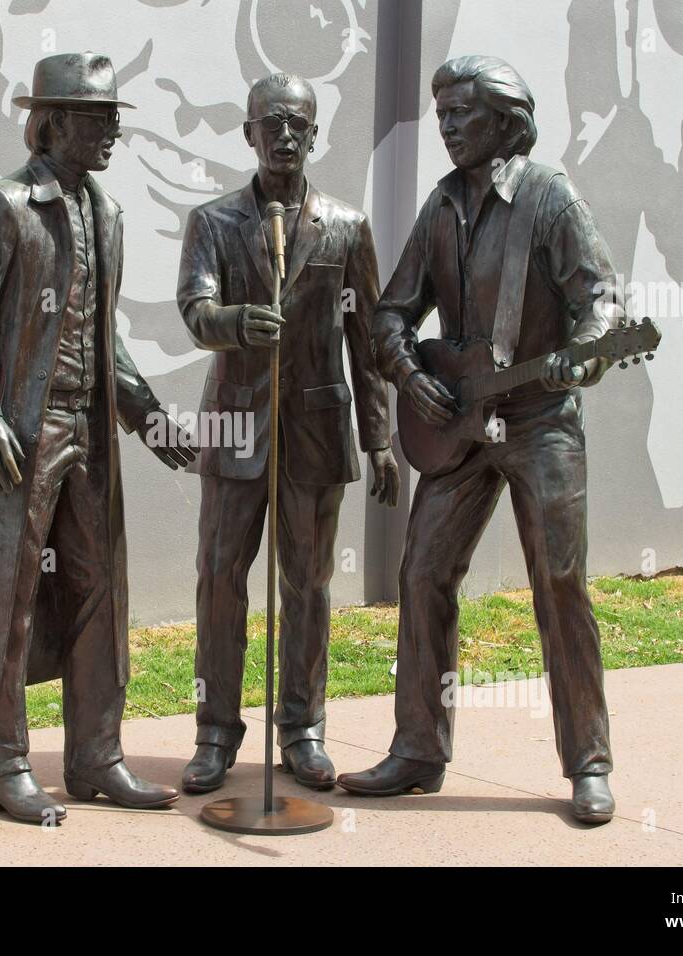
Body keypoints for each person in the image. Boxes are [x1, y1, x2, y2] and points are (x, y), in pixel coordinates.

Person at [339, 55, 621, 824]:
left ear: (506, 120)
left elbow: (600, 300)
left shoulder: (549, 197)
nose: (448, 125)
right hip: (460, 424)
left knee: (558, 582)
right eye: (442, 115)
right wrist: (408, 373)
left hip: (539, 421)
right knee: (422, 573)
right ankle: (418, 750)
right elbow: (391, 312)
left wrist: (582, 352)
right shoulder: (441, 205)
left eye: (462, 112)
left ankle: (588, 762)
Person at [0, 53, 196, 825]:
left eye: (114, 116)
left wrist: (145, 415)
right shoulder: (7, 205)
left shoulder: (105, 212)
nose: (113, 130)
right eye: (97, 117)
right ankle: (6, 765)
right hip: (24, 431)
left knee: (96, 593)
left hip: (90, 432)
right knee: (10, 596)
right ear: (52, 123)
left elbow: (100, 333)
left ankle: (96, 757)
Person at [176, 73, 398, 794]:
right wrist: (234, 322)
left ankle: (303, 728)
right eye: (270, 121)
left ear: (314, 131)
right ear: (247, 132)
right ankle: (215, 732)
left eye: (299, 122)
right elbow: (194, 306)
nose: (285, 134)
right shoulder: (213, 223)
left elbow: (367, 341)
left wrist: (380, 439)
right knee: (218, 579)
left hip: (315, 431)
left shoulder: (346, 225)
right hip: (238, 422)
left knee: (307, 585)